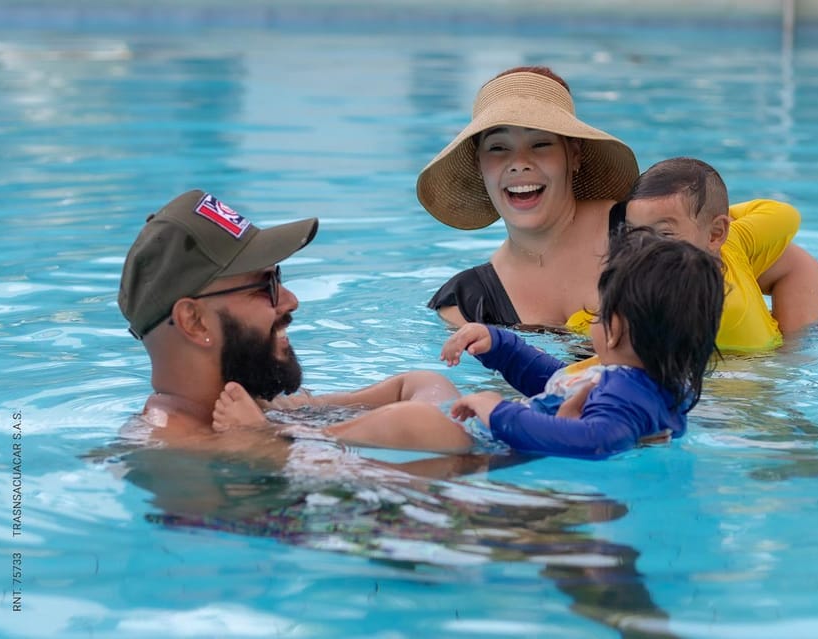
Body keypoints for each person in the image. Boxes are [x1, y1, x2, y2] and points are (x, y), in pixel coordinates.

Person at [213, 226, 725, 460]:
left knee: (411, 418)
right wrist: (498, 343)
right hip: (486, 431)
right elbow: (550, 379)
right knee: (423, 382)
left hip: (490, 448)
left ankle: (282, 439)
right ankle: (302, 410)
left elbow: (594, 442)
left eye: (598, 312)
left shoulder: (629, 394)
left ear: (617, 327)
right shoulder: (629, 376)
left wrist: (495, 413)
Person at [118, 188, 472, 455]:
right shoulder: (171, 453)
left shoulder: (261, 411)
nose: (290, 300)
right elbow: (440, 433)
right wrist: (273, 441)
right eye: (264, 286)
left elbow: (424, 387)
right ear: (194, 322)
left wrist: (280, 432)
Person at [418, 65, 639, 331]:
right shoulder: (468, 304)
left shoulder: (641, 230)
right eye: (498, 148)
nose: (519, 163)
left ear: (574, 154)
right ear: (479, 165)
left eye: (540, 144)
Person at [617, 156, 818, 352]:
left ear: (716, 234)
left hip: (759, 352)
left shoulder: (718, 308)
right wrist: (705, 221)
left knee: (794, 351)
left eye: (664, 233)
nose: (643, 247)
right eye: (633, 231)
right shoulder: (729, 242)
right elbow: (784, 214)